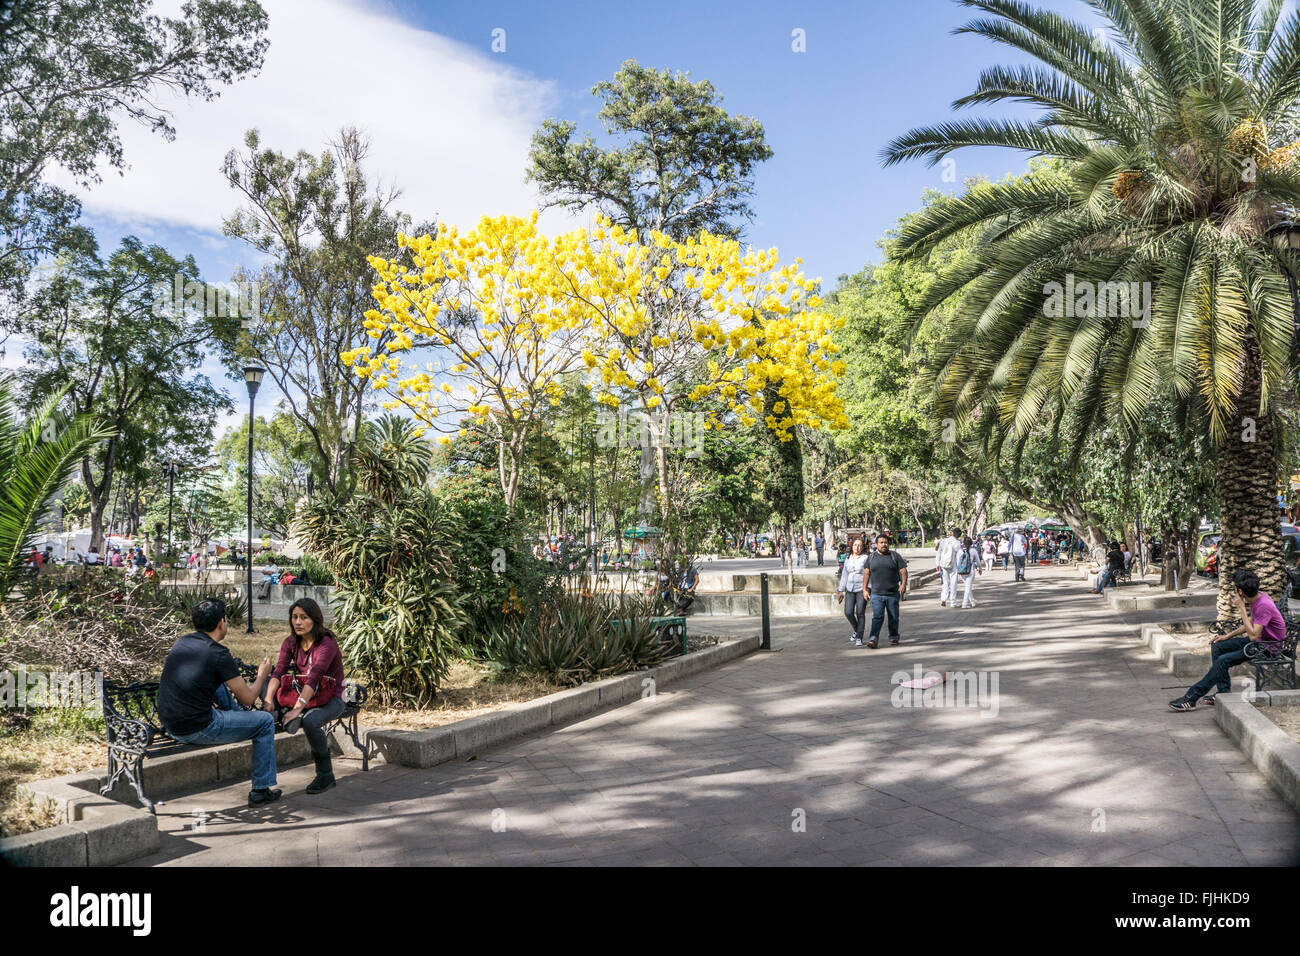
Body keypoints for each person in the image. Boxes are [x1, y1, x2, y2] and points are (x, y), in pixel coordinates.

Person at [156, 598, 281, 807]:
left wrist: (225, 666)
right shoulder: (218, 654)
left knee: (219, 682)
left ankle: (238, 715)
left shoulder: (183, 641)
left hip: (170, 724)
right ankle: (261, 790)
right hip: (197, 727)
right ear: (221, 623)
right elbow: (249, 698)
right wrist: (262, 674)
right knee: (265, 722)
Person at [1170, 569, 1285, 710]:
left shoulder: (1263, 605)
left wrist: (1242, 608)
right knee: (1218, 645)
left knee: (1223, 661)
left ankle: (1191, 698)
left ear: (1240, 591)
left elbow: (1254, 635)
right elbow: (1251, 622)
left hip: (1268, 648)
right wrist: (1227, 636)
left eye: (1235, 589)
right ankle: (1224, 691)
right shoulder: (1260, 598)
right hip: (1259, 642)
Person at [266, 598, 348, 794]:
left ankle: (325, 775)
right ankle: (285, 713)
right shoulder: (291, 642)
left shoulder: (326, 643)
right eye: (294, 617)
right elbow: (278, 672)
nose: (298, 622)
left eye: (304, 617)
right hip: (307, 696)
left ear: (315, 620)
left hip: (333, 697)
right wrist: (268, 700)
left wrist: (296, 709)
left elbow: (315, 677)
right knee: (269, 690)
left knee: (311, 722)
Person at [864, 533, 908, 647]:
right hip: (876, 594)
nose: (884, 545)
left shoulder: (895, 556)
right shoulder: (871, 557)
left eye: (886, 542)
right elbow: (867, 573)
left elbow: (903, 571)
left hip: (892, 594)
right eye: (881, 543)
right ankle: (873, 639)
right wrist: (864, 589)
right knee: (877, 617)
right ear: (876, 544)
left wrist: (903, 585)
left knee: (893, 617)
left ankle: (894, 637)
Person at [836, 537, 870, 646]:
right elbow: (845, 574)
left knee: (860, 612)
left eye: (859, 545)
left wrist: (868, 589)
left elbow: (869, 574)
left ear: (862, 547)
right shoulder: (848, 558)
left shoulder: (865, 558)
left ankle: (859, 637)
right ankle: (856, 630)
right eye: (855, 545)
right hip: (850, 589)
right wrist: (840, 590)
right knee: (848, 612)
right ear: (852, 546)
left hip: (861, 588)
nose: (857, 547)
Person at [936, 528, 963, 607]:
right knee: (953, 583)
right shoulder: (957, 543)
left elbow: (939, 552)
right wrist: (959, 567)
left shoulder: (944, 541)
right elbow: (959, 556)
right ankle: (953, 602)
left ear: (952, 533)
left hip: (944, 564)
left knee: (945, 582)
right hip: (953, 564)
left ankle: (943, 598)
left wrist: (938, 563)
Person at [957, 534, 982, 608]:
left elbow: (957, 562)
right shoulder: (973, 550)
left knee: (968, 586)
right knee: (968, 587)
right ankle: (964, 604)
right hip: (970, 571)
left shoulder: (959, 551)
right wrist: (980, 569)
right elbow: (978, 561)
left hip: (962, 572)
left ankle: (972, 602)